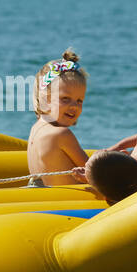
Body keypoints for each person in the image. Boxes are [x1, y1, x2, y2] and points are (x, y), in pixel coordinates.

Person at [26, 48, 89, 184]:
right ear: (45, 99)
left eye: (79, 101)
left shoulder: (35, 129)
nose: (74, 106)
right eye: (65, 99)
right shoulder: (61, 134)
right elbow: (94, 173)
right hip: (69, 203)